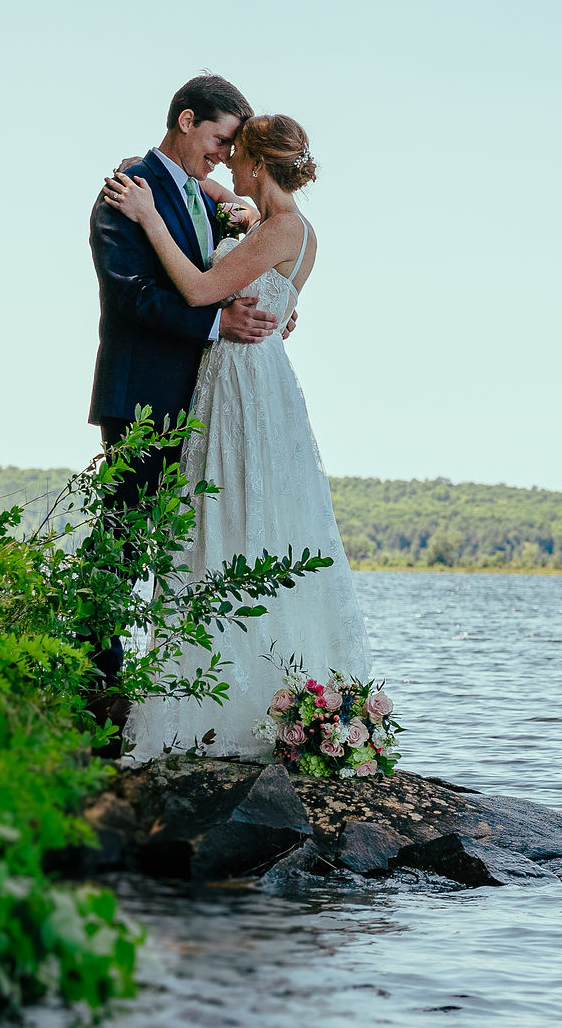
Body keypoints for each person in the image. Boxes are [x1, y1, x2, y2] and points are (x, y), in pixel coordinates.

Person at [101, 113, 371, 762]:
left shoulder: (277, 229)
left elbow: (199, 289)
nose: (227, 168)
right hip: (266, 382)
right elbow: (268, 277)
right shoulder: (298, 232)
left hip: (239, 383)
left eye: (236, 159)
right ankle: (273, 702)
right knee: (261, 526)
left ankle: (216, 713)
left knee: (222, 525)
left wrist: (148, 215)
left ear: (258, 164)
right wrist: (223, 201)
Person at [84, 74, 276, 754]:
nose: (224, 156)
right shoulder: (126, 191)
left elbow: (217, 251)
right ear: (187, 120)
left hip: (197, 405)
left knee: (173, 549)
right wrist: (218, 325)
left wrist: (235, 213)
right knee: (122, 544)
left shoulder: (200, 194)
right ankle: (91, 689)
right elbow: (132, 296)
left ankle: (165, 688)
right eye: (220, 141)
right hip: (142, 396)